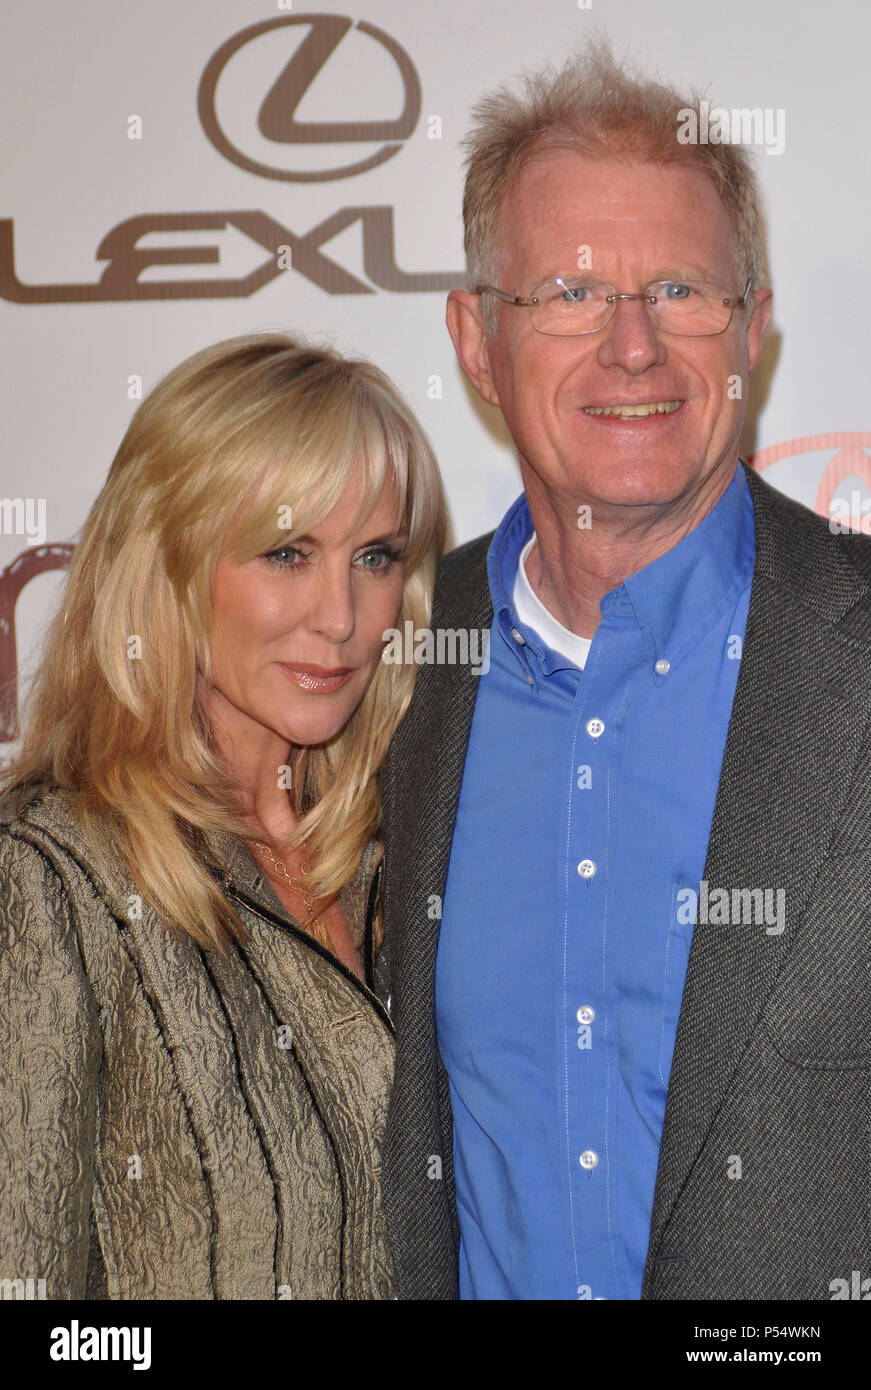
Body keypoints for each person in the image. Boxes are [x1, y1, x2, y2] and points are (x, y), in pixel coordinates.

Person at [379, 41, 871, 1300]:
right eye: (569, 294)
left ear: (750, 328)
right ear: (477, 342)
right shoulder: (386, 663)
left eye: (679, 290)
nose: (633, 347)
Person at [0, 332, 446, 1299]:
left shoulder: (410, 855)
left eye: (374, 556)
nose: (339, 614)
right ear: (165, 565)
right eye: (286, 553)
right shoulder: (47, 879)